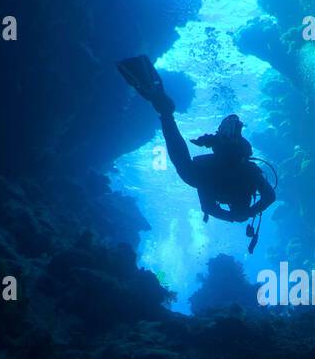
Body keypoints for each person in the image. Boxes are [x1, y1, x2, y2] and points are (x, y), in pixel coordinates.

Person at [117, 56, 276, 248]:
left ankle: (167, 114)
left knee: (184, 166)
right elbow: (267, 197)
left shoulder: (243, 174)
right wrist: (240, 215)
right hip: (215, 167)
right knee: (183, 165)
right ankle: (166, 114)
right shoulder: (248, 174)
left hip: (212, 168)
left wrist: (237, 216)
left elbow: (209, 206)